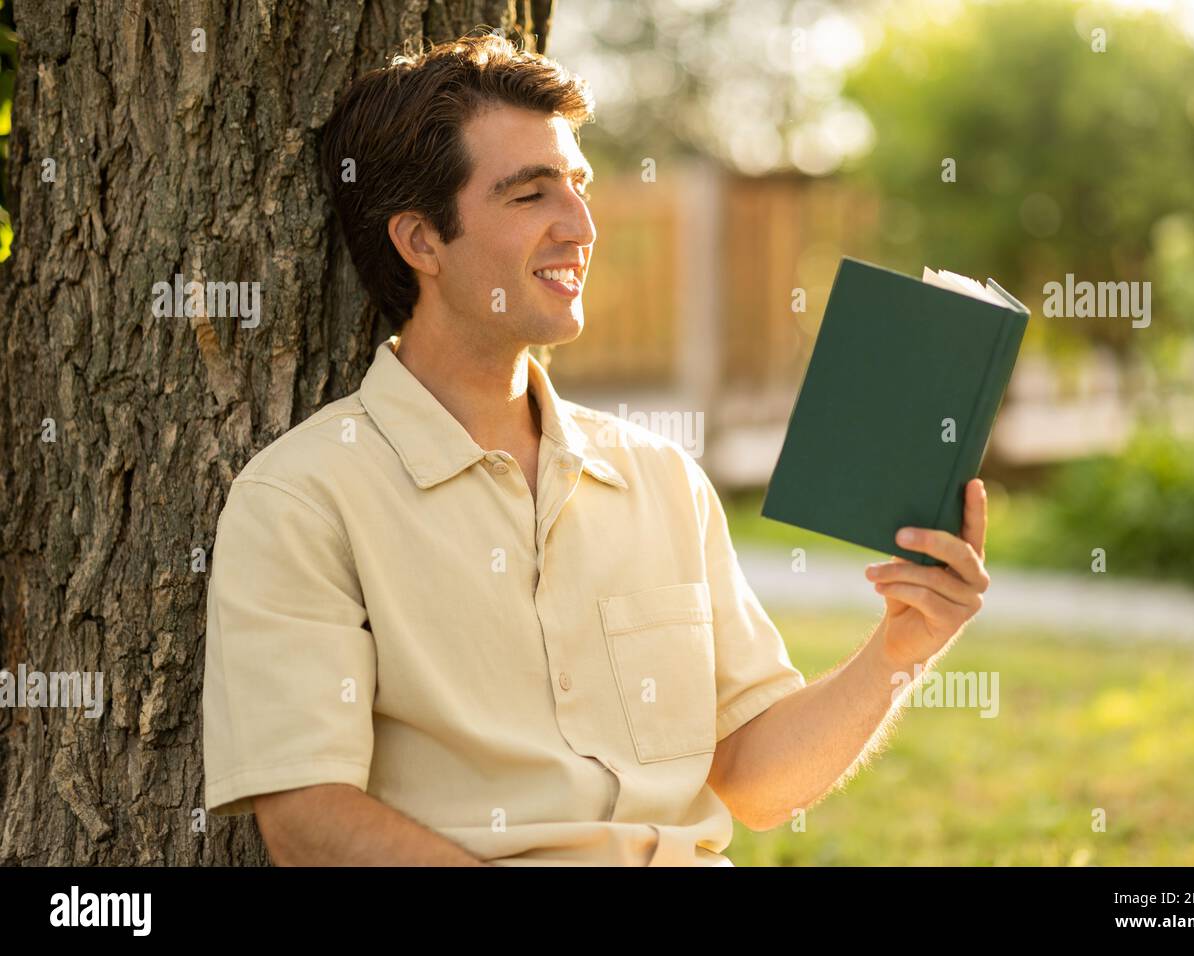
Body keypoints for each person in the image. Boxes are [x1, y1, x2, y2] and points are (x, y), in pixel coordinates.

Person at [200, 32, 991, 866]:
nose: (581, 226)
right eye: (530, 196)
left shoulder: (661, 480)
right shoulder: (301, 501)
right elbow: (308, 821)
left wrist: (900, 648)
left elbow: (755, 778)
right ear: (421, 242)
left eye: (578, 186)